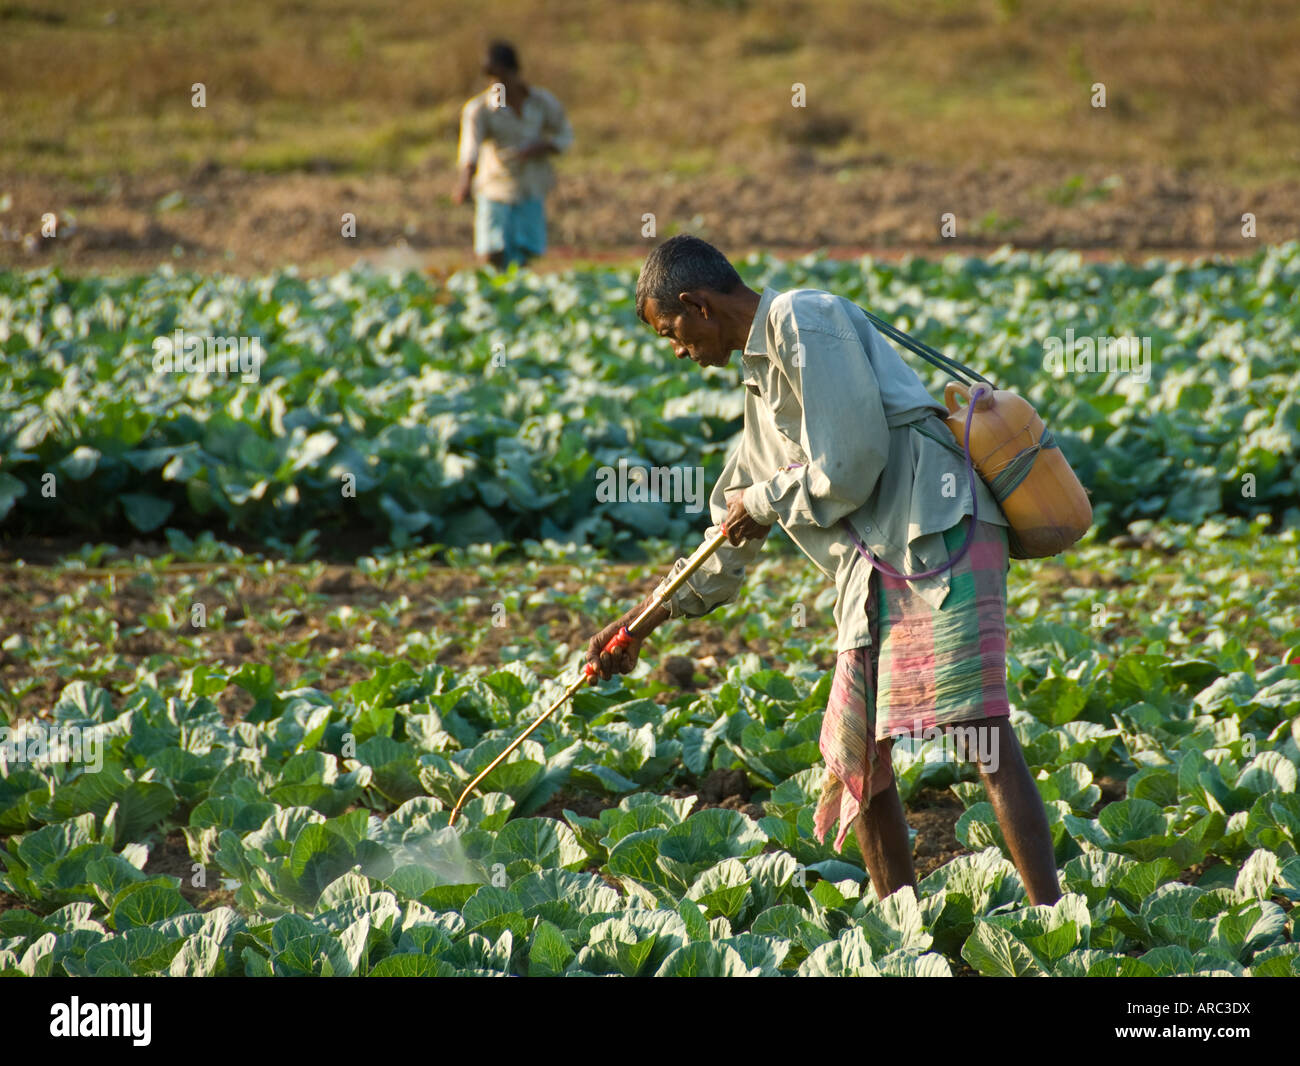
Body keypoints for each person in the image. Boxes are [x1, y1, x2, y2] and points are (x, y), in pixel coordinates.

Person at [584, 234, 1062, 905]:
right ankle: (902, 925)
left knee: (981, 735)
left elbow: (851, 463)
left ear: (697, 305)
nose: (679, 352)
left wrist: (763, 499)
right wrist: (639, 624)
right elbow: (728, 533)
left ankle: (1053, 918)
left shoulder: (806, 320)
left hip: (940, 534)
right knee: (855, 754)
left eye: (672, 333)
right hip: (875, 570)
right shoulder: (760, 391)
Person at [453, 40, 573, 270]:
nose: (497, 85)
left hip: (530, 185)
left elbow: (564, 135)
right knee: (492, 251)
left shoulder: (540, 103)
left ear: (514, 73)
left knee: (524, 252)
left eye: (501, 78)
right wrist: (464, 183)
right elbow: (470, 149)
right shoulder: (480, 108)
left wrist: (541, 147)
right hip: (495, 186)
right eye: (492, 79)